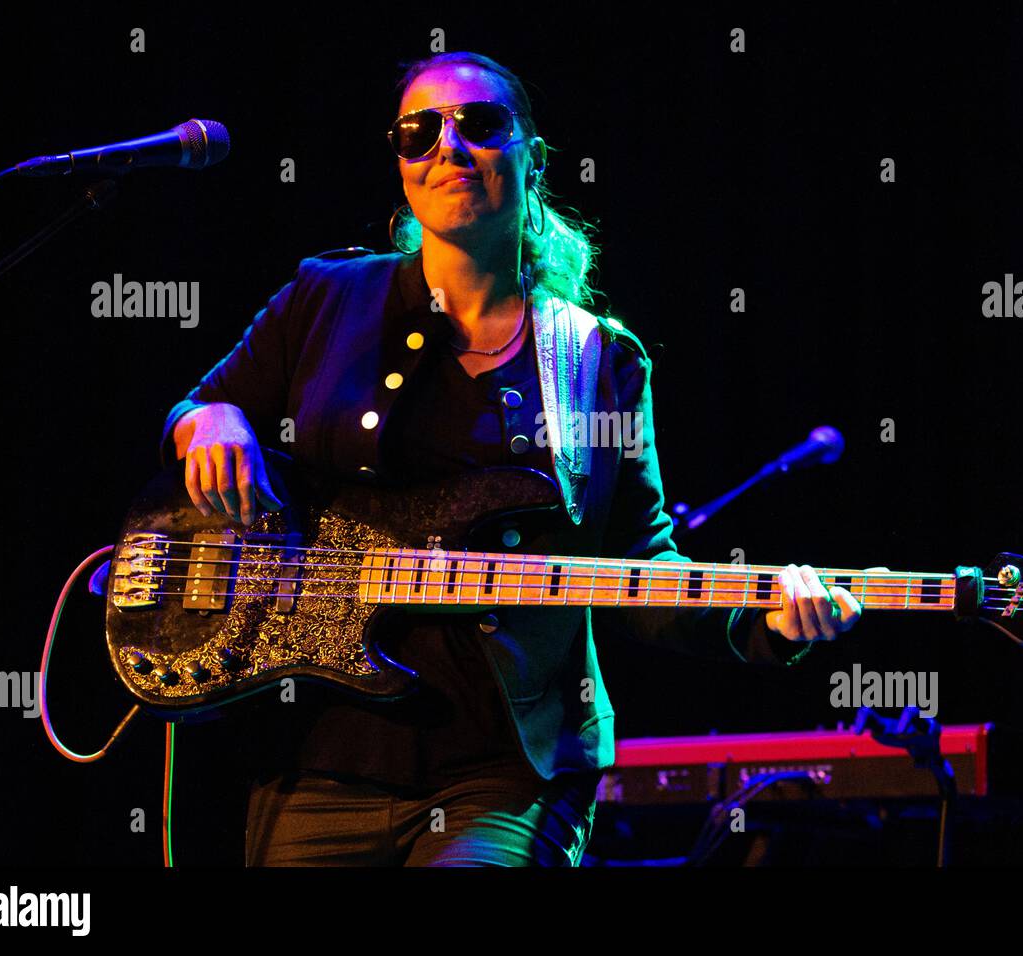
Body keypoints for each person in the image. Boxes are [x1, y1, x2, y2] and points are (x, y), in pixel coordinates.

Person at [161, 51, 865, 866]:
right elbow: (194, 408)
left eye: (481, 124)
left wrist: (763, 621)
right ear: (400, 165)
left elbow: (639, 570)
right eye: (419, 132)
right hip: (319, 758)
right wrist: (208, 418)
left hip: (504, 772)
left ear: (530, 153)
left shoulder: (597, 359)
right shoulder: (323, 298)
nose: (449, 147)